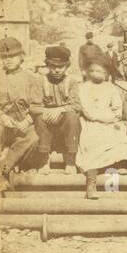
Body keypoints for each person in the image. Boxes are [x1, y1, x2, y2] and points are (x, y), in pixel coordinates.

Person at [75, 55, 127, 199]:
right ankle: (91, 184)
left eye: (100, 71)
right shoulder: (83, 88)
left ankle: (113, 182)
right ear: (87, 71)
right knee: (92, 142)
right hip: (91, 122)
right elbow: (85, 109)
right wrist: (99, 118)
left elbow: (117, 108)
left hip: (109, 120)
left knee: (118, 134)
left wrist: (113, 118)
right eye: (92, 71)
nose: (95, 74)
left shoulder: (111, 88)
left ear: (106, 73)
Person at [0, 37, 40, 186]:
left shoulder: (32, 79)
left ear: (21, 57)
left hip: (23, 122)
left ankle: (2, 169)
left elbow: (37, 105)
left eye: (12, 56)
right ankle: (1, 167)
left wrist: (27, 121)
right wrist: (1, 116)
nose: (8, 60)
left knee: (34, 137)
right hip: (1, 121)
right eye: (5, 57)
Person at [35, 45, 82, 174]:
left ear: (67, 67)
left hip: (64, 122)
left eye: (60, 67)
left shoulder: (71, 82)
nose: (56, 70)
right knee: (39, 118)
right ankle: (44, 159)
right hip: (46, 120)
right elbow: (33, 105)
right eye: (53, 66)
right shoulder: (40, 81)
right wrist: (46, 111)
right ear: (47, 66)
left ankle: (70, 159)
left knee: (73, 116)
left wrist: (59, 110)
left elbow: (76, 105)